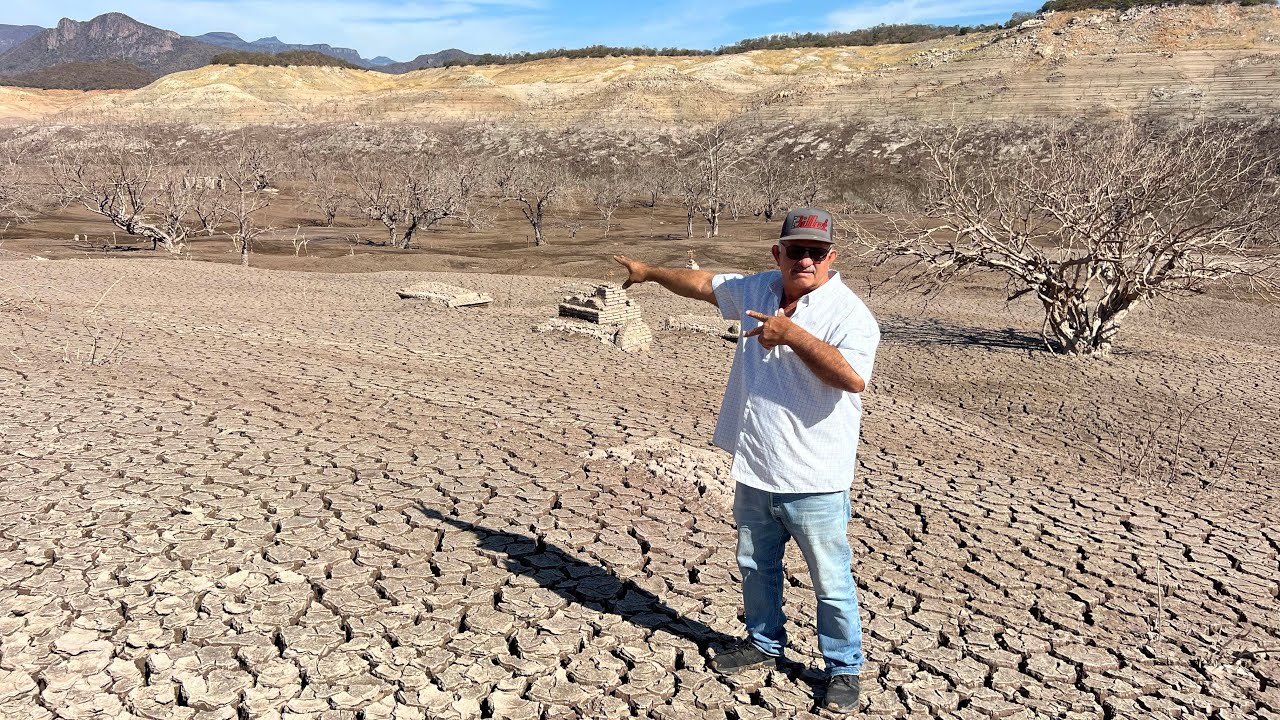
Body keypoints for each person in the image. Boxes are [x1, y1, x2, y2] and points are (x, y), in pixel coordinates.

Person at [613, 207, 879, 713]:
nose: (806, 259)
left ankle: (843, 668)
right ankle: (763, 642)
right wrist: (649, 273)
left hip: (815, 476)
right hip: (756, 466)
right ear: (777, 253)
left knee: (831, 578)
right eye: (796, 250)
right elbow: (704, 283)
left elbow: (852, 379)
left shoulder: (850, 314)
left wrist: (794, 336)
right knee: (756, 566)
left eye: (816, 252)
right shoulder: (757, 288)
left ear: (831, 258)